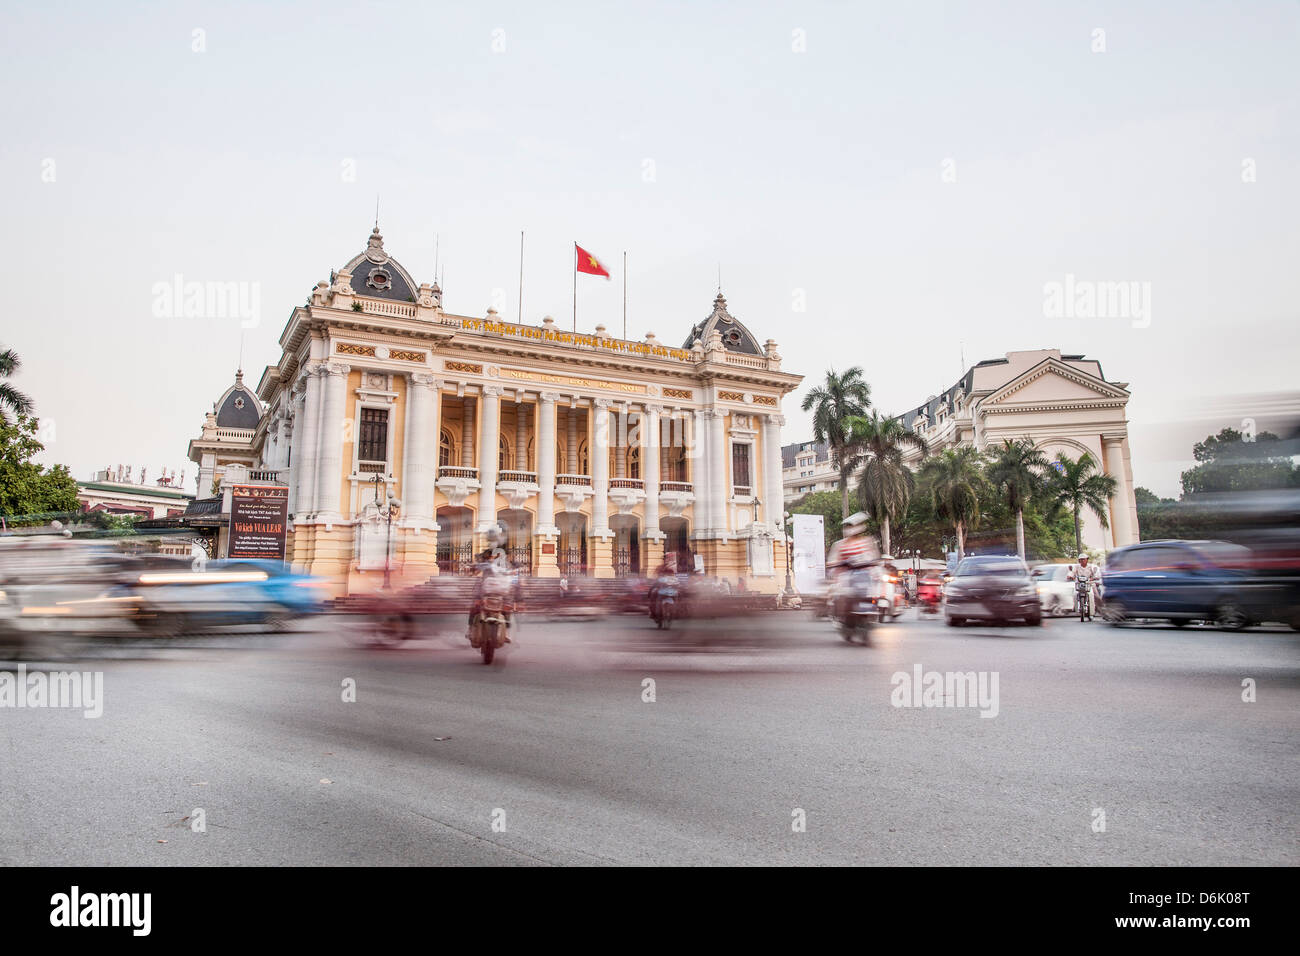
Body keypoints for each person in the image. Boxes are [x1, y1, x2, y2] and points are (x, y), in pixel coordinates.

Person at [1073, 553, 1100, 620]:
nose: (1082, 561)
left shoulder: (1091, 566)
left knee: (1093, 595)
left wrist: (1094, 578)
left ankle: (1093, 612)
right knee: (1074, 594)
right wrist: (1070, 576)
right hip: (1079, 585)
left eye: (1083, 559)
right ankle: (1076, 609)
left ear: (1087, 560)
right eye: (1080, 560)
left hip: (1089, 584)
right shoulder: (1076, 566)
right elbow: (1072, 573)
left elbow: (1096, 574)